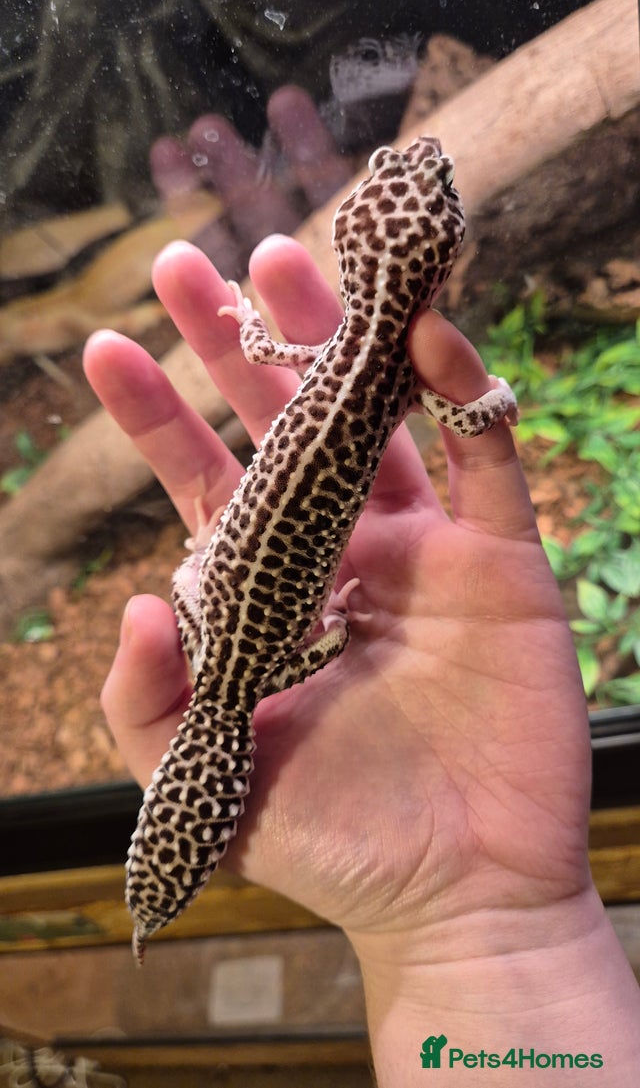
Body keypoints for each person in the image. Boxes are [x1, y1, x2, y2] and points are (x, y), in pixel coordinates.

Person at [83, 236, 640, 1084]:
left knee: (196, 586)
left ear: (354, 255)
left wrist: (311, 614)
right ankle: (150, 904)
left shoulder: (340, 352)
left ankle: (152, 902)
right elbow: (461, 411)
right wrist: (489, 403)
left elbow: (268, 349)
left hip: (229, 628)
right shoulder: (382, 372)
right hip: (245, 639)